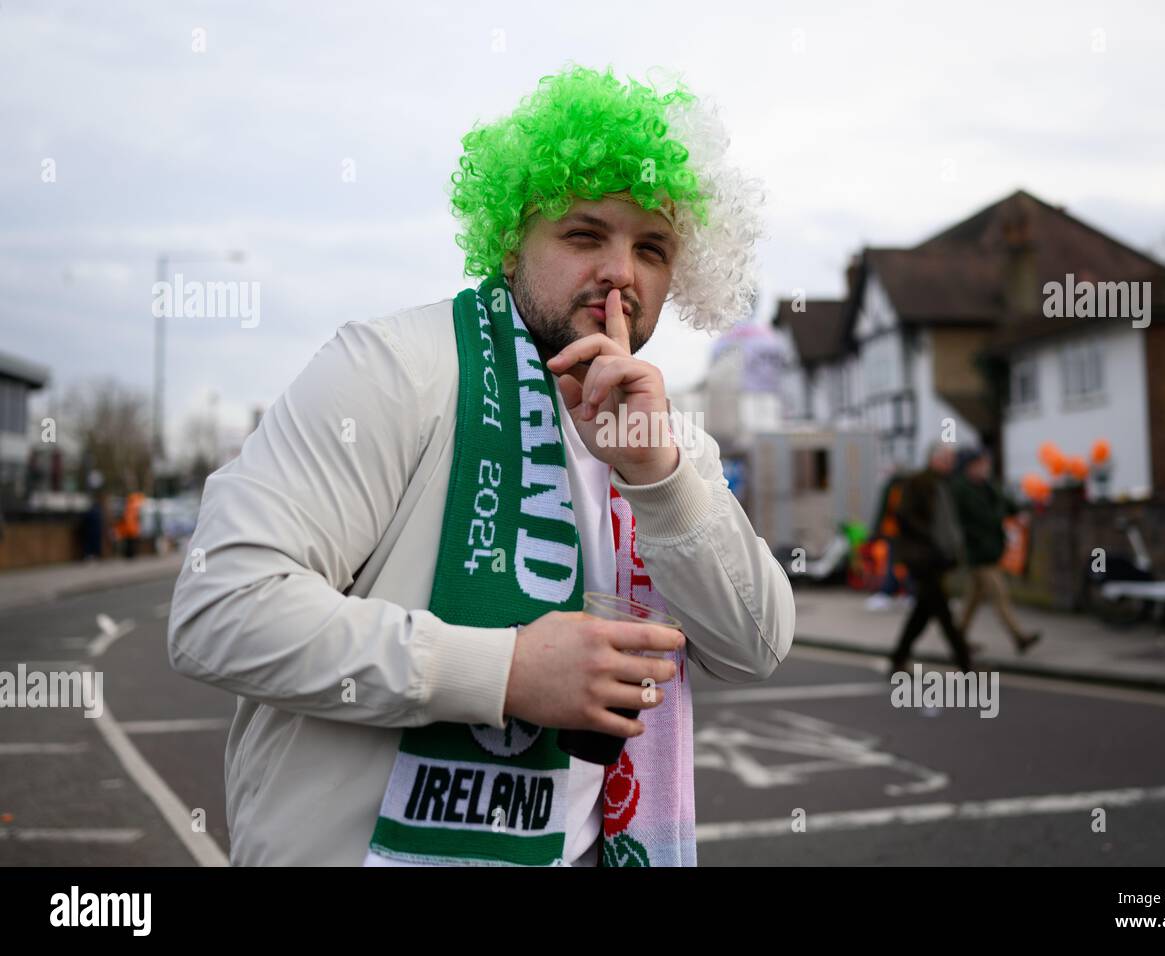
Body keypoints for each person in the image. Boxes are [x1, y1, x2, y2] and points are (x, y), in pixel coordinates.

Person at [167, 63, 793, 867]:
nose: (621, 274)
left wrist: (661, 480)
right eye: (583, 234)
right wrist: (501, 672)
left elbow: (757, 645)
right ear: (507, 241)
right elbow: (220, 607)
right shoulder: (392, 368)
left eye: (652, 248)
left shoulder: (663, 433)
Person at [888, 442, 972, 672]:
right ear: (934, 459)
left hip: (937, 557)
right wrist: (930, 538)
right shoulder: (918, 482)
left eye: (951, 459)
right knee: (943, 613)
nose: (950, 464)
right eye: (946, 459)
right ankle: (965, 664)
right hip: (923, 558)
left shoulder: (945, 484)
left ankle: (898, 659)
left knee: (922, 613)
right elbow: (904, 515)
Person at [952, 448, 1041, 654]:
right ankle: (1019, 636)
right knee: (1000, 595)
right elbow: (968, 522)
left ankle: (957, 639)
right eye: (981, 464)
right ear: (970, 467)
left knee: (972, 600)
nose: (985, 468)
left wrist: (1019, 513)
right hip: (977, 553)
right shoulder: (961, 491)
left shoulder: (989, 487)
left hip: (992, 549)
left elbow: (1006, 504)